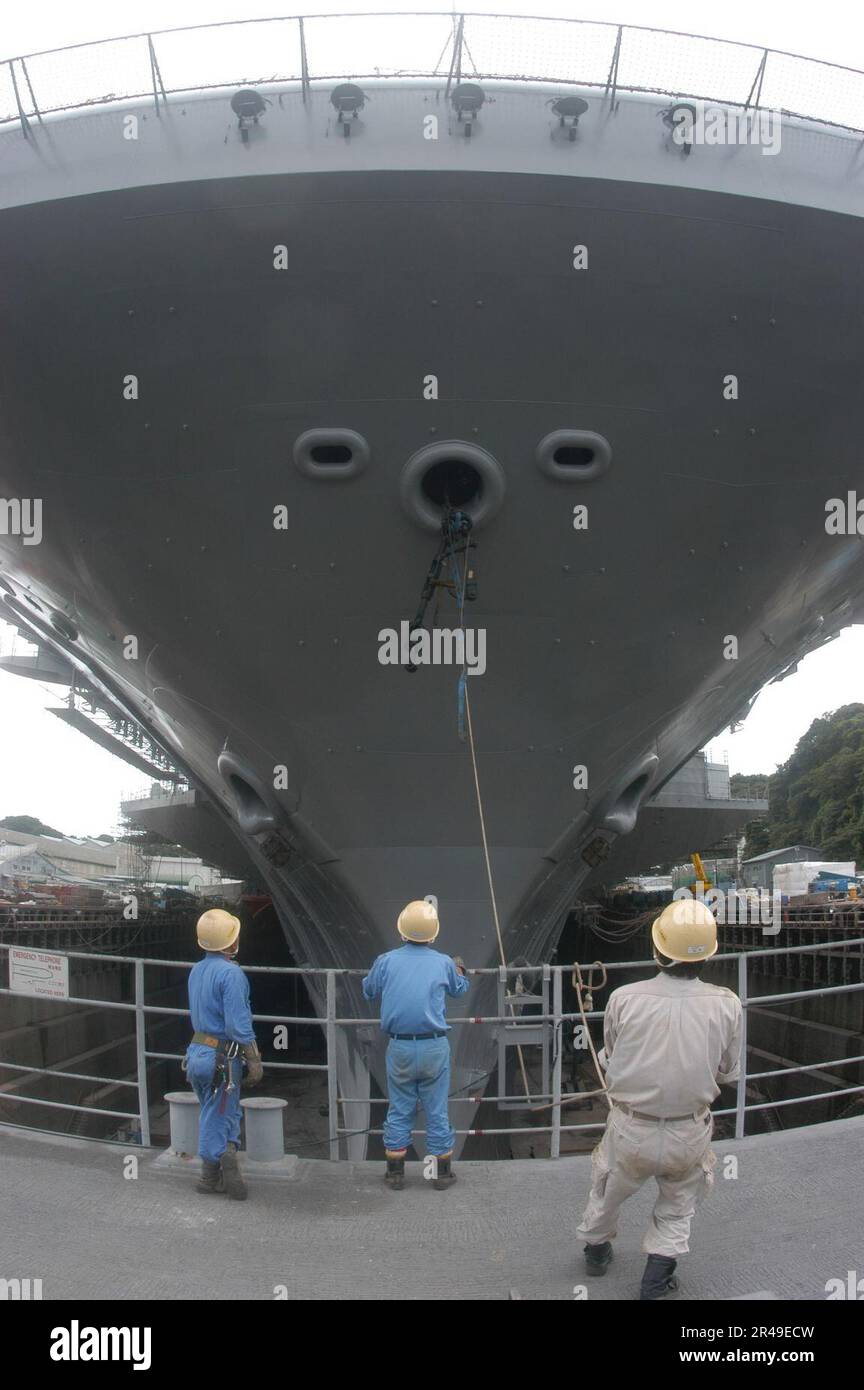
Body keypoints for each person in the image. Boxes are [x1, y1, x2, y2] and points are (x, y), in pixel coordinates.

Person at [576, 897, 742, 1300]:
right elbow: (728, 1071)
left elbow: (611, 1053)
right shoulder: (727, 1004)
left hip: (632, 1125)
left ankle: (596, 1253)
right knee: (678, 1204)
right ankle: (655, 1282)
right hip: (689, 1128)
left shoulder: (624, 998)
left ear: (657, 950)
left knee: (609, 1189)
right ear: (708, 955)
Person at [362, 899, 469, 1190]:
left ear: (401, 931)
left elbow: (369, 990)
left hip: (400, 1047)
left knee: (399, 1108)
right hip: (434, 1046)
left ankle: (395, 1174)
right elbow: (459, 990)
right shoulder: (444, 962)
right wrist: (459, 969)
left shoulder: (385, 961)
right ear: (433, 935)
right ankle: (440, 1174)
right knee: (436, 1109)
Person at [185, 908, 264, 1200]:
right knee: (217, 1115)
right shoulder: (232, 974)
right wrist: (253, 1057)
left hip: (197, 1052)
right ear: (231, 942)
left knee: (220, 1109)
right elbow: (237, 1024)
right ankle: (211, 1171)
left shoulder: (197, 970)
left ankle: (224, 1158)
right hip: (223, 1057)